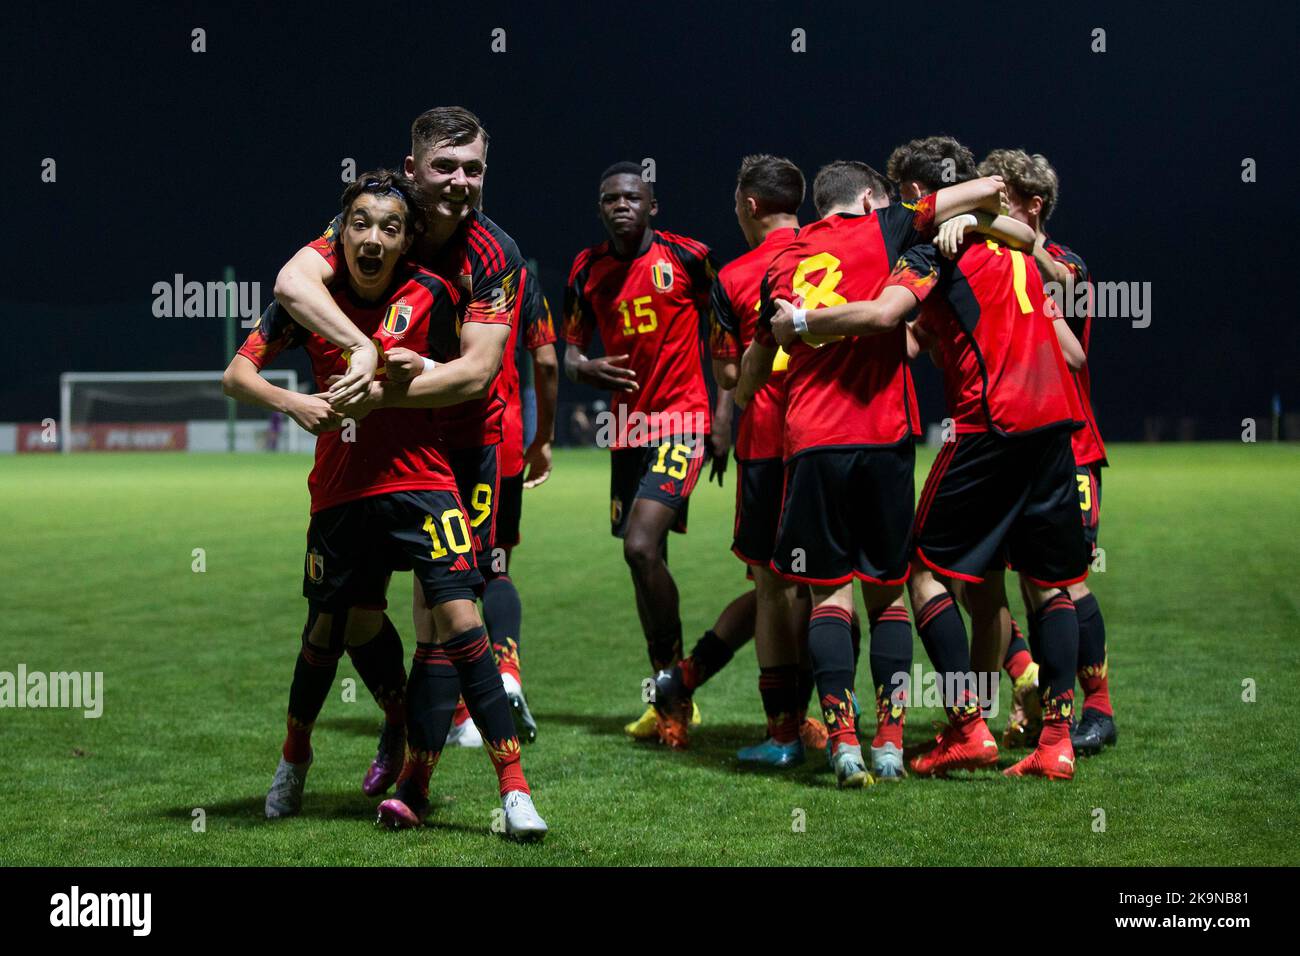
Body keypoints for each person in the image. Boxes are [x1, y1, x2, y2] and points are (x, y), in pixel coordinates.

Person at [224, 172, 546, 836]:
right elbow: (238, 372)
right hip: (341, 490)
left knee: (461, 620)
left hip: (423, 483)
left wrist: (417, 372)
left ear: (407, 244)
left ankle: (514, 790)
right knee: (329, 631)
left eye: (390, 228)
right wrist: (295, 403)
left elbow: (475, 369)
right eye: (360, 225)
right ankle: (296, 756)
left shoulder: (432, 292)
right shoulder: (311, 302)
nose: (373, 239)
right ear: (341, 233)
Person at [740, 150, 1027, 786]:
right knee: (889, 589)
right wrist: (965, 214)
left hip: (812, 441)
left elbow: (759, 360)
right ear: (873, 201)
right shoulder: (892, 226)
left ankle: (844, 742)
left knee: (828, 593)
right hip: (885, 437)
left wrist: (739, 396)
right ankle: (892, 742)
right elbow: (990, 186)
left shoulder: (782, 262)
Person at [563, 162, 731, 748]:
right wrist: (584, 368)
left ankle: (673, 689)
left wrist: (724, 418)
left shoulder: (688, 257)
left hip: (683, 422)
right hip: (626, 431)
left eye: (632, 197)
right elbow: (568, 352)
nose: (620, 206)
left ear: (652, 205)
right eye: (609, 198)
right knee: (645, 559)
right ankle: (671, 694)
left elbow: (725, 330)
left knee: (639, 546)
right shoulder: (587, 270)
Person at [978, 149, 1115, 757]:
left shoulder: (1062, 265)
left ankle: (1097, 711)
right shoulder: (997, 262)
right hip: (1009, 448)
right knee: (993, 581)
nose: (988, 207)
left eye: (1000, 199)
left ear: (1031, 207)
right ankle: (1034, 691)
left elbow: (1074, 355)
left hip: (1070, 446)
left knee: (1065, 583)